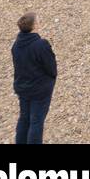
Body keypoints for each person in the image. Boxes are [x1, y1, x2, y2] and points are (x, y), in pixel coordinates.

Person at [11, 12, 57, 144]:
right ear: (34, 26)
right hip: (39, 90)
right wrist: (50, 80)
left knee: (24, 119)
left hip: (22, 87)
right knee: (36, 122)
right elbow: (51, 67)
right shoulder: (40, 45)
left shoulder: (16, 45)